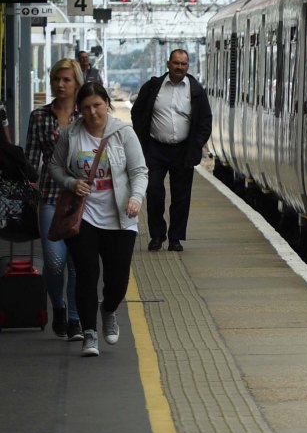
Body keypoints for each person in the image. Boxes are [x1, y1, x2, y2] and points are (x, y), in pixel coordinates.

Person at [58, 82, 148, 358]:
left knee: (118, 281)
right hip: (83, 217)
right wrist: (71, 182)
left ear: (106, 104)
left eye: (97, 105)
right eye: (85, 107)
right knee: (86, 275)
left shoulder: (123, 133)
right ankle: (89, 334)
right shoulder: (70, 135)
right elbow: (54, 166)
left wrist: (135, 198)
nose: (92, 112)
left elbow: (139, 171)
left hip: (121, 218)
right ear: (79, 110)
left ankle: (108, 310)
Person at [130, 48, 212, 252]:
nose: (179, 67)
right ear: (168, 64)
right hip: (155, 149)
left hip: (183, 150)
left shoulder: (195, 90)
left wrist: (196, 144)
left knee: (181, 196)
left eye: (183, 64)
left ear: (188, 66)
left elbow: (205, 120)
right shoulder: (153, 87)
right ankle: (157, 235)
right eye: (176, 63)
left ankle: (175, 238)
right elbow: (137, 112)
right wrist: (141, 141)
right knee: (155, 192)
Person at [24, 58, 82, 336]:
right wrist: (26, 190)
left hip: (82, 201)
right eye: (56, 79)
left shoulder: (85, 117)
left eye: (66, 80)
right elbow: (31, 160)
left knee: (76, 263)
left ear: (76, 83)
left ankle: (73, 319)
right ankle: (57, 305)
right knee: (55, 262)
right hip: (49, 197)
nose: (60, 84)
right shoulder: (39, 117)